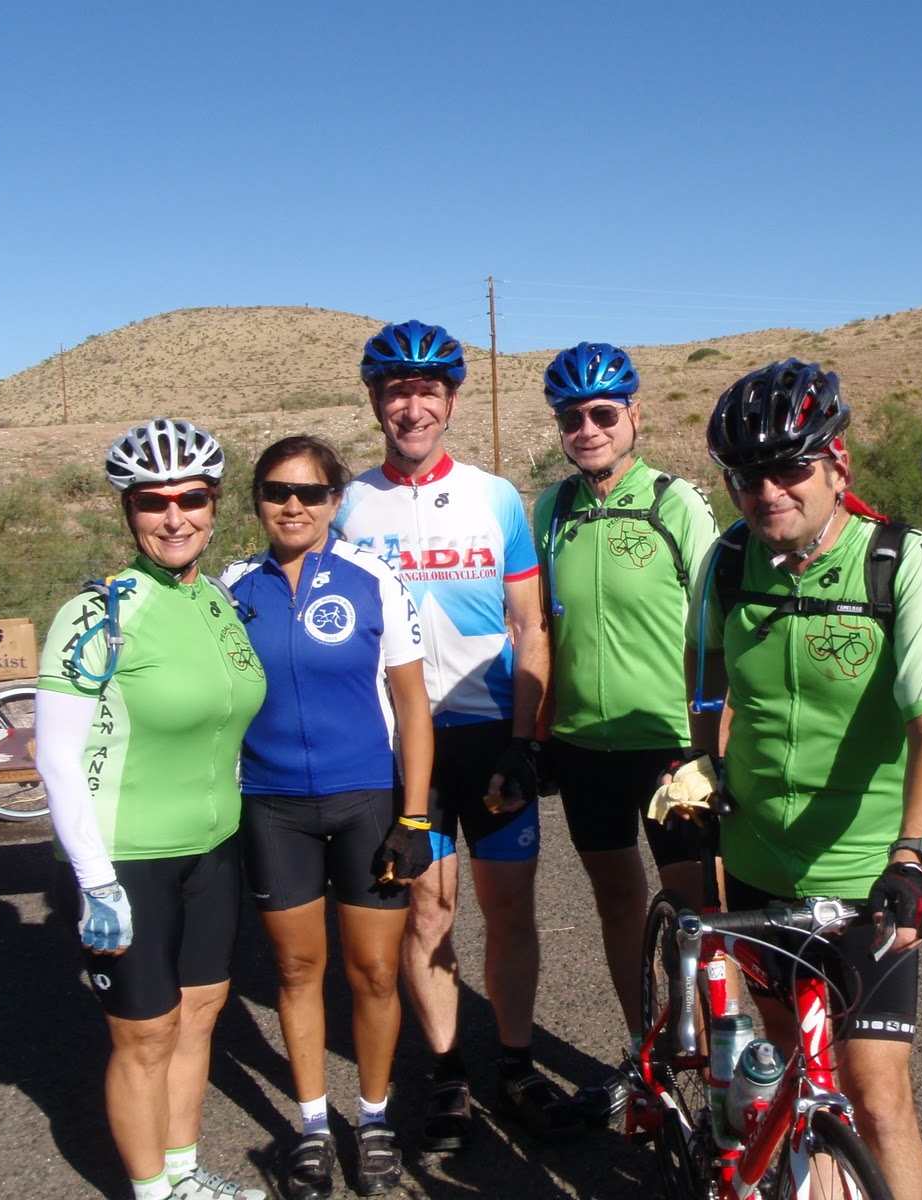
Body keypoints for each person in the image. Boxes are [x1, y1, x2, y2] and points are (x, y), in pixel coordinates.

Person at [687, 361, 922, 1200]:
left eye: (789, 468)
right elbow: (707, 682)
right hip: (756, 863)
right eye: (746, 477)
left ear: (837, 465)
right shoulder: (727, 560)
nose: (767, 491)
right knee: (791, 1065)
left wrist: (915, 858)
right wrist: (703, 767)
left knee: (877, 1097)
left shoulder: (898, 558)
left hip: (864, 876)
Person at [333, 320, 578, 1147]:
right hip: (404, 750)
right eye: (397, 391)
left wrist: (527, 739)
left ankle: (516, 1064)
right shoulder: (348, 506)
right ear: (376, 401)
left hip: (489, 737)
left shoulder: (495, 496)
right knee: (427, 915)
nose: (413, 408)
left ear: (451, 401)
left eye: (428, 391)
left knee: (509, 912)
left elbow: (530, 624)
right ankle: (446, 1075)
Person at [34, 419, 269, 1200]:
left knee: (198, 1015)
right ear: (127, 511)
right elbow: (55, 759)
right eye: (152, 502)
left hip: (214, 847)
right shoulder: (99, 613)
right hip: (127, 855)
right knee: (145, 1036)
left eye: (191, 499)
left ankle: (182, 1173)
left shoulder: (219, 602)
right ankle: (151, 1191)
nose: (174, 518)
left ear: (214, 503)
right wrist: (95, 879)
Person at [219, 436, 434, 1198]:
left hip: (366, 800)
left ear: (335, 501)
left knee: (373, 972)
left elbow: (413, 705)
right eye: (276, 490)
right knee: (295, 970)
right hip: (271, 805)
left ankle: (372, 1118)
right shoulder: (232, 586)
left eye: (310, 492)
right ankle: (312, 1123)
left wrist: (416, 818)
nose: (293, 505)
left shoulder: (374, 579)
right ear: (257, 499)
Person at [529, 342, 721, 1123]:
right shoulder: (550, 510)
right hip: (583, 747)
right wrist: (539, 733)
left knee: (698, 915)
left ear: (634, 416)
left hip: (669, 745)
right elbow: (541, 628)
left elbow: (714, 630)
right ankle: (648, 1056)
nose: (588, 430)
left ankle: (717, 1057)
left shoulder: (677, 503)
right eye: (571, 417)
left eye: (603, 414)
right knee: (618, 906)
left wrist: (712, 746)